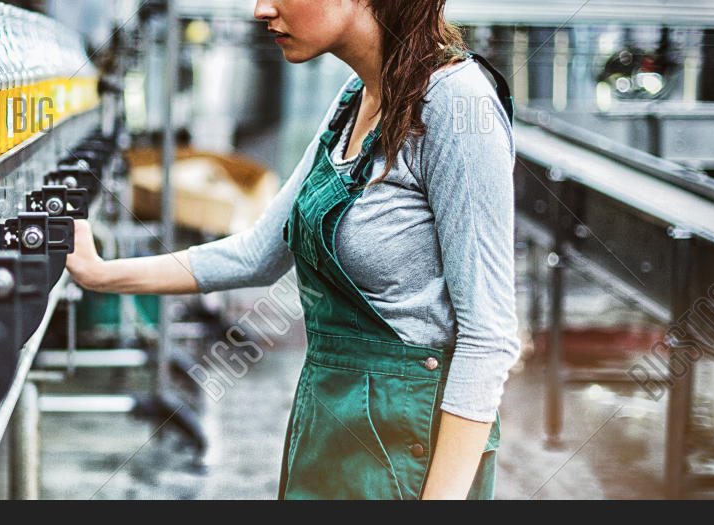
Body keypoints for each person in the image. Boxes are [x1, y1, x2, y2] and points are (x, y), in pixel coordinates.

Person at [65, 0, 521, 499]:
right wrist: (100, 273)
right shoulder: (354, 101)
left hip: (409, 447)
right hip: (329, 424)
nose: (261, 9)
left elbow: (489, 338)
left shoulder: (457, 102)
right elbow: (258, 253)